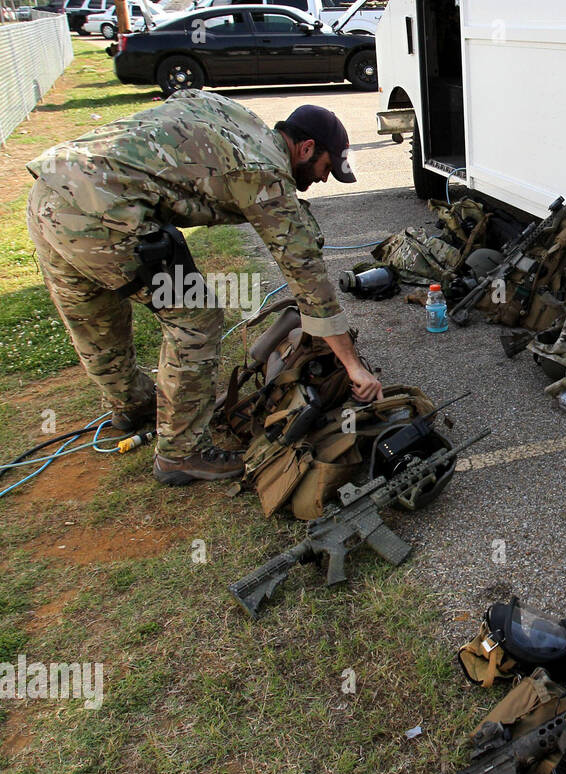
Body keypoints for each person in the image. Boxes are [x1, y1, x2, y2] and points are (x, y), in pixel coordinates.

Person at [25, 90, 382, 485]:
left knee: (94, 316)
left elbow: (184, 102)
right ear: (306, 148)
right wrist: (352, 366)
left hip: (52, 189)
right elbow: (307, 275)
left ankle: (132, 406)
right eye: (325, 168)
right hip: (100, 214)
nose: (321, 180)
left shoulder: (240, 118)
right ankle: (180, 455)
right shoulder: (263, 172)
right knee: (196, 318)